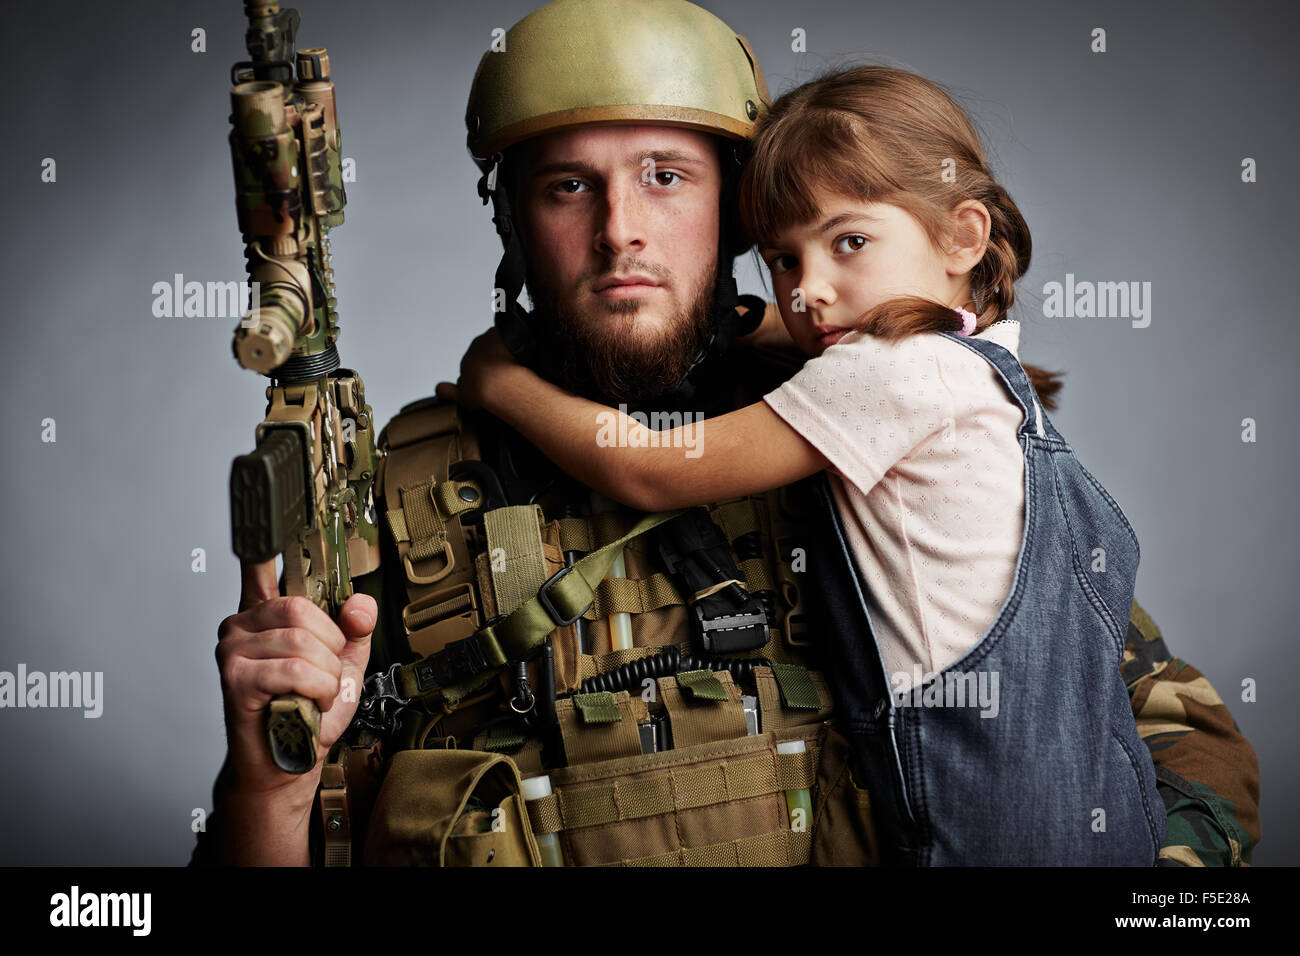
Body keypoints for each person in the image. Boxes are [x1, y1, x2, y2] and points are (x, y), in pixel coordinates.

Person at [193, 0, 1259, 867]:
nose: (621, 231)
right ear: (514, 220)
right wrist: (267, 783)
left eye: (666, 174)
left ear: (735, 207)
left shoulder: (862, 424)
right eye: (569, 185)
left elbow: (1155, 724)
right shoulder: (406, 487)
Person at [444, 63, 1171, 863]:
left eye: (849, 242)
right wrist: (738, 319)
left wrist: (503, 384)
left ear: (963, 238)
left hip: (981, 820)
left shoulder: (890, 372)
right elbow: (832, 329)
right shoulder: (976, 364)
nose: (810, 293)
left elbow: (653, 467)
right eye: (783, 261)